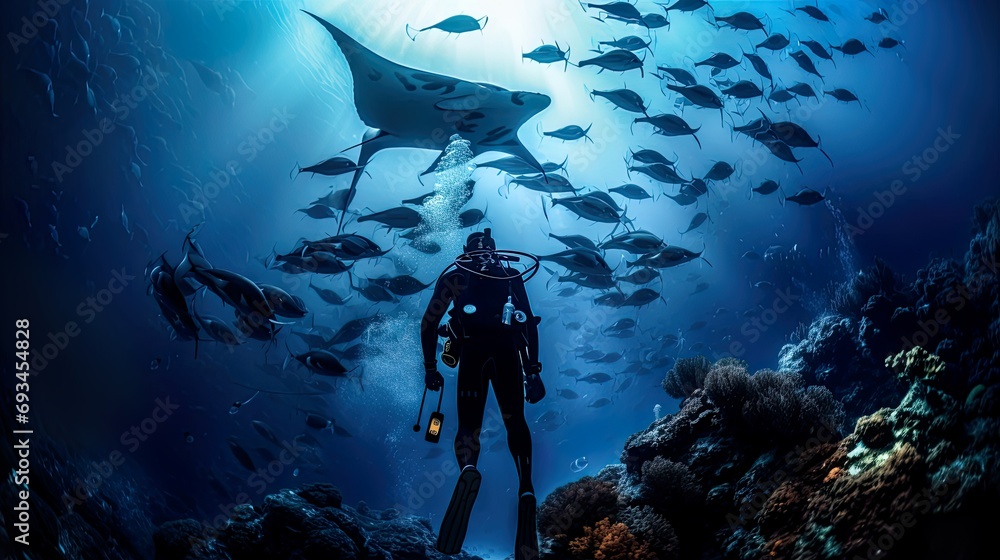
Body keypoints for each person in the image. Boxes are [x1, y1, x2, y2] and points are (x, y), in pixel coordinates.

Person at [421, 228, 545, 560]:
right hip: (507, 355)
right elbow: (529, 324)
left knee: (468, 427)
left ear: (466, 250)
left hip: (473, 356)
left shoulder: (455, 277)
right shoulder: (509, 274)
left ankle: (468, 470)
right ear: (494, 249)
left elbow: (428, 323)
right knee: (515, 421)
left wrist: (431, 368)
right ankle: (526, 486)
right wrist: (533, 371)